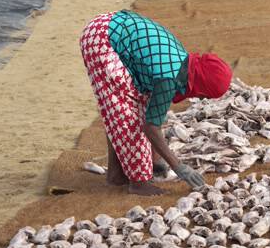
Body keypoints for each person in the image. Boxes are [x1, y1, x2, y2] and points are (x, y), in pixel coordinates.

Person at [80, 10, 233, 196]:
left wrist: (156, 159)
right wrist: (179, 167)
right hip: (102, 40)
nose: (200, 99)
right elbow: (150, 126)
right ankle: (138, 183)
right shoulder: (168, 78)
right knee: (127, 113)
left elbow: (152, 108)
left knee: (132, 107)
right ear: (200, 87)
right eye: (205, 96)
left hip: (109, 26)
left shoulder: (181, 62)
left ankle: (116, 174)